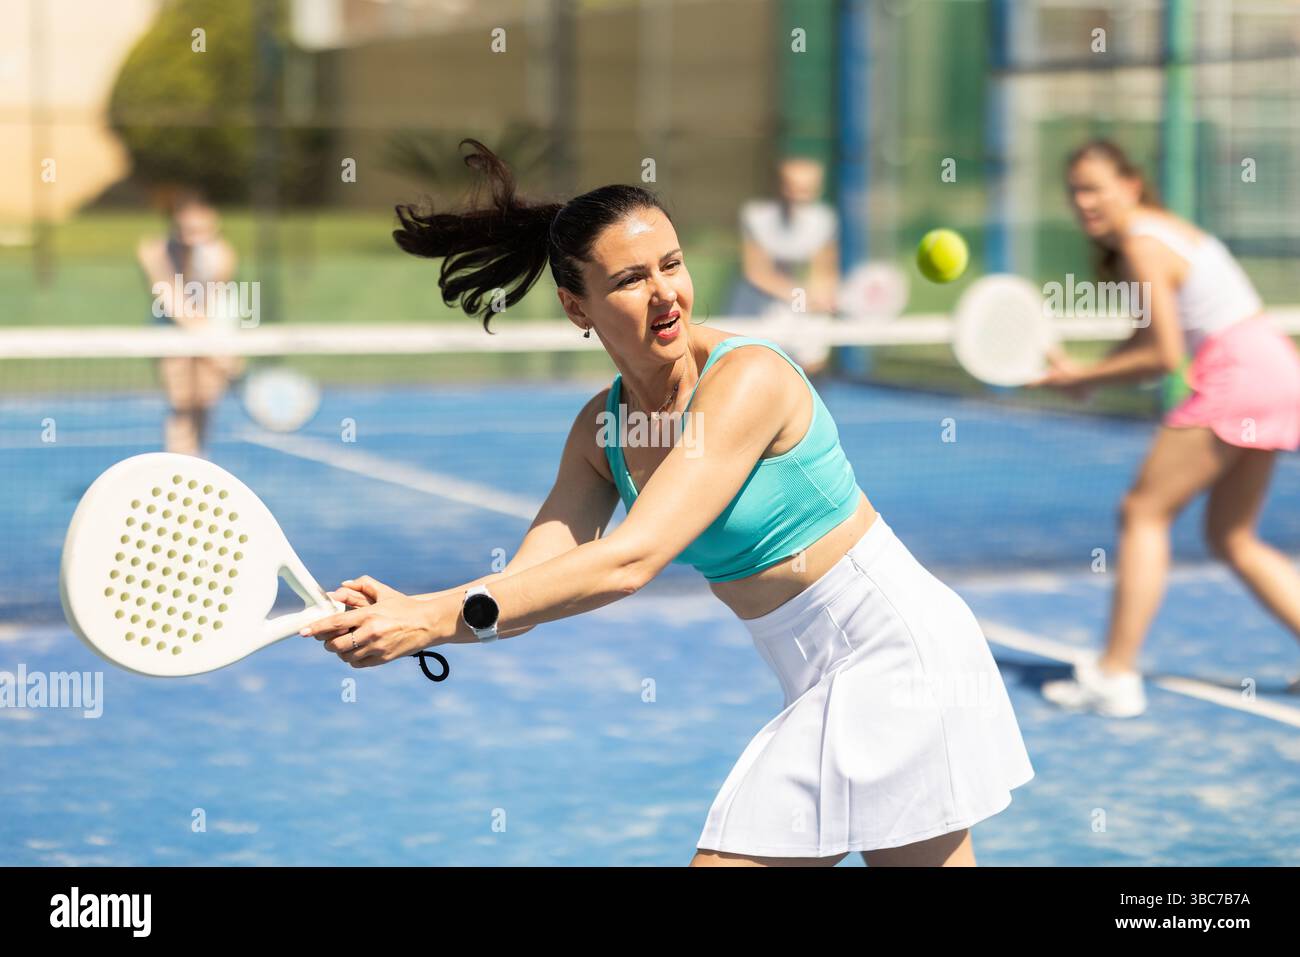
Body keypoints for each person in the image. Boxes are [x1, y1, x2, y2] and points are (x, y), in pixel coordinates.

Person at [301, 140, 1033, 867]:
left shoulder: (747, 379)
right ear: (575, 306)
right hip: (820, 669)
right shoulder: (601, 431)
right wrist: (406, 619)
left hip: (896, 652)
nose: (666, 294)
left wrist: (427, 615)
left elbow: (630, 559)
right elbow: (530, 584)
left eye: (672, 265)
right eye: (629, 279)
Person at [1033, 140, 1300, 717]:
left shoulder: (1140, 243)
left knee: (1143, 512)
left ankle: (1115, 677)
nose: (1084, 201)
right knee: (1232, 536)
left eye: (1095, 187)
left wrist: (1086, 374)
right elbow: (1151, 336)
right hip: (1278, 367)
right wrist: (1088, 376)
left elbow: (1163, 354)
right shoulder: (1160, 230)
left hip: (1241, 375)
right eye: (1075, 190)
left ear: (1130, 185)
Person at [135, 190, 242, 457]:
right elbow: (170, 301)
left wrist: (215, 347)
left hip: (215, 326)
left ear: (214, 225)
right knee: (181, 401)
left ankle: (197, 463)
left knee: (204, 400)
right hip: (170, 331)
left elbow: (205, 304)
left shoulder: (223, 254)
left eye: (201, 229)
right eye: (185, 229)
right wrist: (224, 358)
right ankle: (179, 466)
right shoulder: (152, 250)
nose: (192, 236)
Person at [726, 156, 840, 377]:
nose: (797, 196)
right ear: (779, 187)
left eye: (805, 189)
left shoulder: (824, 220)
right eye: (792, 187)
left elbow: (823, 269)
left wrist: (823, 294)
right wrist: (802, 296)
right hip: (755, 307)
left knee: (812, 365)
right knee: (753, 369)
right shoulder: (755, 216)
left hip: (799, 305)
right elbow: (757, 273)